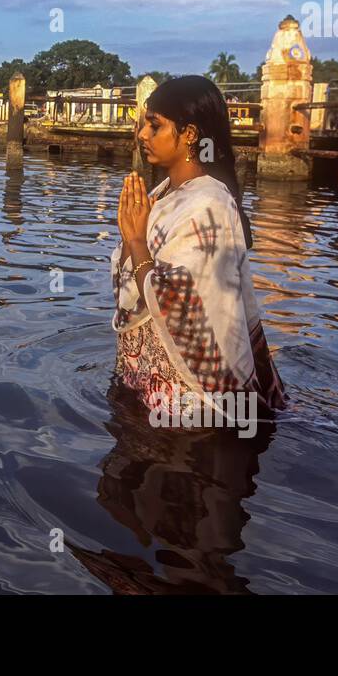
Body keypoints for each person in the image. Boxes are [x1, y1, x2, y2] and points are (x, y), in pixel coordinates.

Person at [111, 75, 287, 418]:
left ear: (189, 134)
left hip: (196, 401)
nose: (142, 134)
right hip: (148, 381)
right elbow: (135, 280)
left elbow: (178, 301)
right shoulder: (161, 194)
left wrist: (135, 240)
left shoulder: (211, 204)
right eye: (144, 124)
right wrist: (131, 238)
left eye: (154, 125)